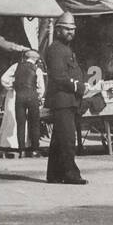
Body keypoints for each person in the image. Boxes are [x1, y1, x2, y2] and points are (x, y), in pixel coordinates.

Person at [43, 13, 87, 184]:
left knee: (59, 139)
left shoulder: (66, 49)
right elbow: (58, 77)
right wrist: (78, 87)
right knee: (68, 140)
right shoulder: (55, 49)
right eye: (67, 29)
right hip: (62, 101)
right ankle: (71, 174)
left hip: (68, 101)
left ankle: (54, 175)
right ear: (58, 30)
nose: (70, 32)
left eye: (73, 29)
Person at [0, 50, 45, 158]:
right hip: (32, 96)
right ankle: (35, 150)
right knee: (34, 124)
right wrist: (38, 96)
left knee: (20, 124)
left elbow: (3, 79)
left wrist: (12, 86)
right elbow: (41, 88)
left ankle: (21, 150)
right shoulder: (37, 70)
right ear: (36, 60)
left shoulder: (16, 66)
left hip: (18, 96)